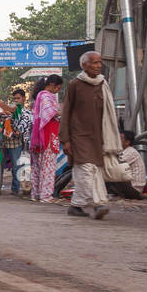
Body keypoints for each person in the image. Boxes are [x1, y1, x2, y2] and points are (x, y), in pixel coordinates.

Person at [60, 51, 121, 220]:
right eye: (94, 62)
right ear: (84, 65)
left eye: (100, 62)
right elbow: (66, 113)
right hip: (78, 136)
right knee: (85, 171)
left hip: (98, 137)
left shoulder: (102, 84)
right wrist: (65, 139)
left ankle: (76, 206)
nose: (98, 66)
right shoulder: (75, 85)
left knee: (95, 171)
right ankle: (98, 203)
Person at [29, 75, 64, 203]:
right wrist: (65, 111)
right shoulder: (46, 96)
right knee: (48, 166)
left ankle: (36, 194)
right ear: (52, 85)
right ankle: (46, 195)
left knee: (38, 166)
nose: (57, 91)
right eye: (58, 88)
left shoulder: (40, 96)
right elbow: (51, 113)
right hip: (48, 134)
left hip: (40, 136)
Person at [4, 87, 31, 197]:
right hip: (7, 141)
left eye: (18, 98)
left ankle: (16, 189)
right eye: (14, 98)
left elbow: (25, 130)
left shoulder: (26, 113)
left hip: (19, 143)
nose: (16, 101)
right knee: (2, 165)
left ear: (24, 99)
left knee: (18, 166)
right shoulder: (10, 112)